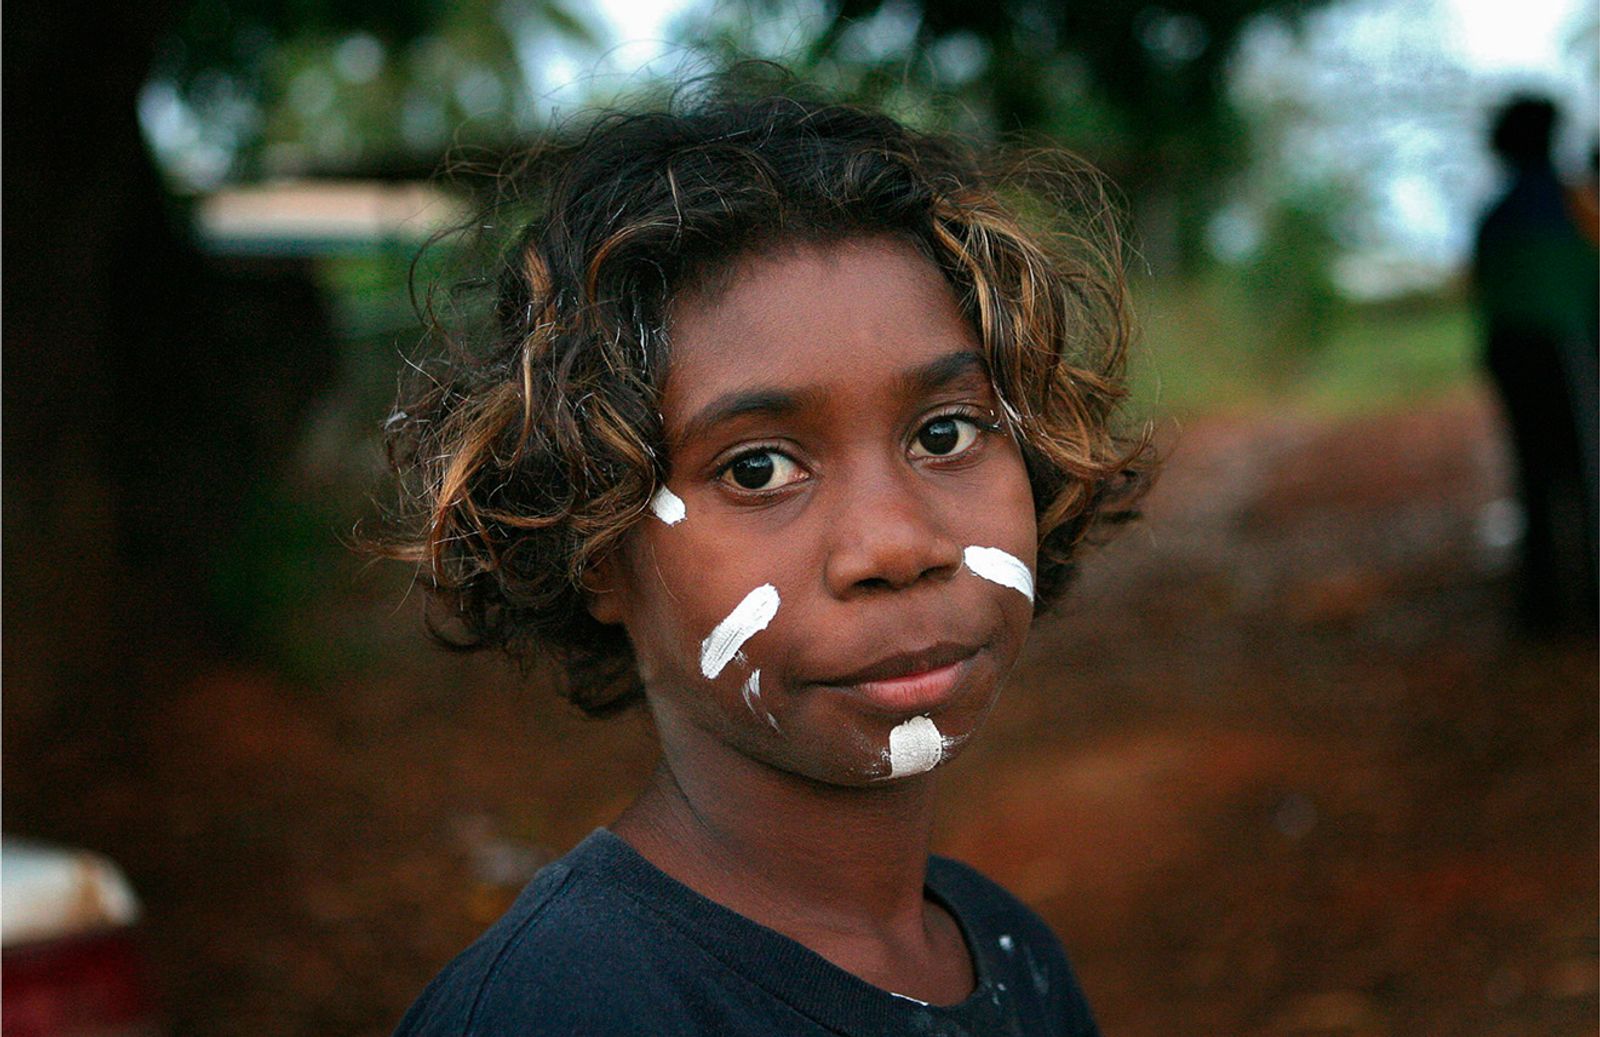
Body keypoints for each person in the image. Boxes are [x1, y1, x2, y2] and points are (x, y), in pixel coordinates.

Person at [380, 75, 1147, 1035]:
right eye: (757, 466)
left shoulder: (1011, 953)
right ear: (594, 549)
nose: (897, 544)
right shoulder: (562, 1009)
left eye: (946, 435)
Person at [1472, 95, 1599, 630]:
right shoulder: (1576, 205)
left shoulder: (1496, 214)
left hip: (1512, 352)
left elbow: (1485, 291)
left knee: (1533, 472)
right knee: (1586, 472)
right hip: (1565, 350)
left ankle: (1543, 605)